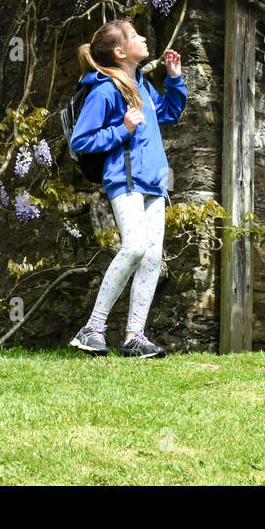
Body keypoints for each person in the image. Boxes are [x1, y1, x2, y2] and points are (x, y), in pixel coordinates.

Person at [68, 19, 186, 358]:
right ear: (120, 52)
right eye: (135, 36)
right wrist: (121, 129)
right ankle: (93, 328)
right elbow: (82, 140)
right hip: (126, 181)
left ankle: (135, 336)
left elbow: (167, 114)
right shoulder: (106, 90)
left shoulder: (142, 86)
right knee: (134, 248)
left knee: (151, 258)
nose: (144, 38)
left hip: (153, 183)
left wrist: (174, 79)